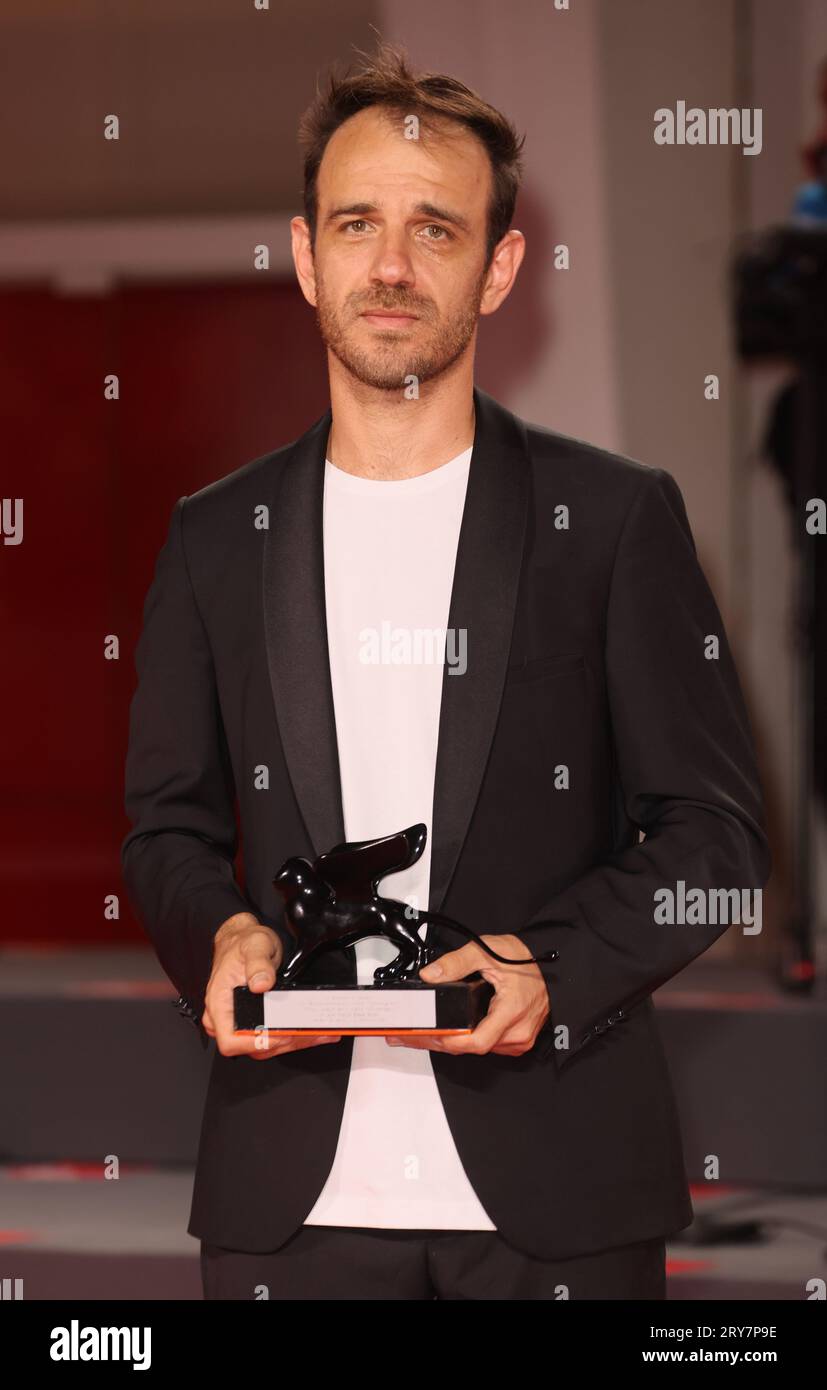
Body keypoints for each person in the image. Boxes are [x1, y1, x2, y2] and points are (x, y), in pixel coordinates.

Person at [121, 43, 770, 1301]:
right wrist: (227, 931)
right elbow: (166, 829)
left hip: (561, 1197)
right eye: (357, 224)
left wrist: (550, 966)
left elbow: (715, 836)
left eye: (435, 228)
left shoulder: (616, 518)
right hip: (286, 1201)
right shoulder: (214, 537)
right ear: (306, 255)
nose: (390, 265)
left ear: (500, 265)